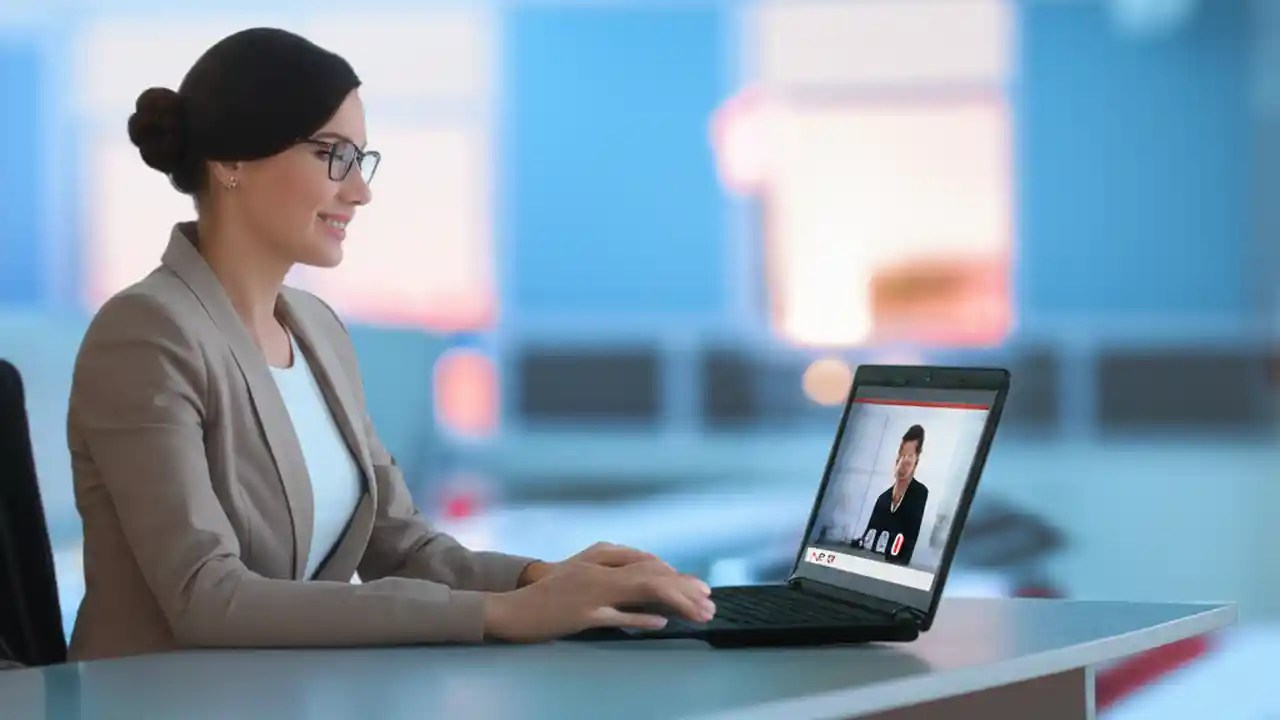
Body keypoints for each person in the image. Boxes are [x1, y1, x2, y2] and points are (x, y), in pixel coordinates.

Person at [66, 27, 713, 661]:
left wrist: (543, 580)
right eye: (333, 156)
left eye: (361, 159)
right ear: (232, 161)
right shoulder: (146, 335)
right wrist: (498, 615)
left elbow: (401, 549)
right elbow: (208, 597)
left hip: (281, 697)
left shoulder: (317, 330)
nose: (360, 190)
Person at [855, 425, 929, 566]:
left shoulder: (920, 494)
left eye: (909, 457)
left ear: (916, 461)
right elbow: (868, 540)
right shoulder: (883, 499)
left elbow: (909, 545)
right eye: (900, 456)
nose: (902, 463)